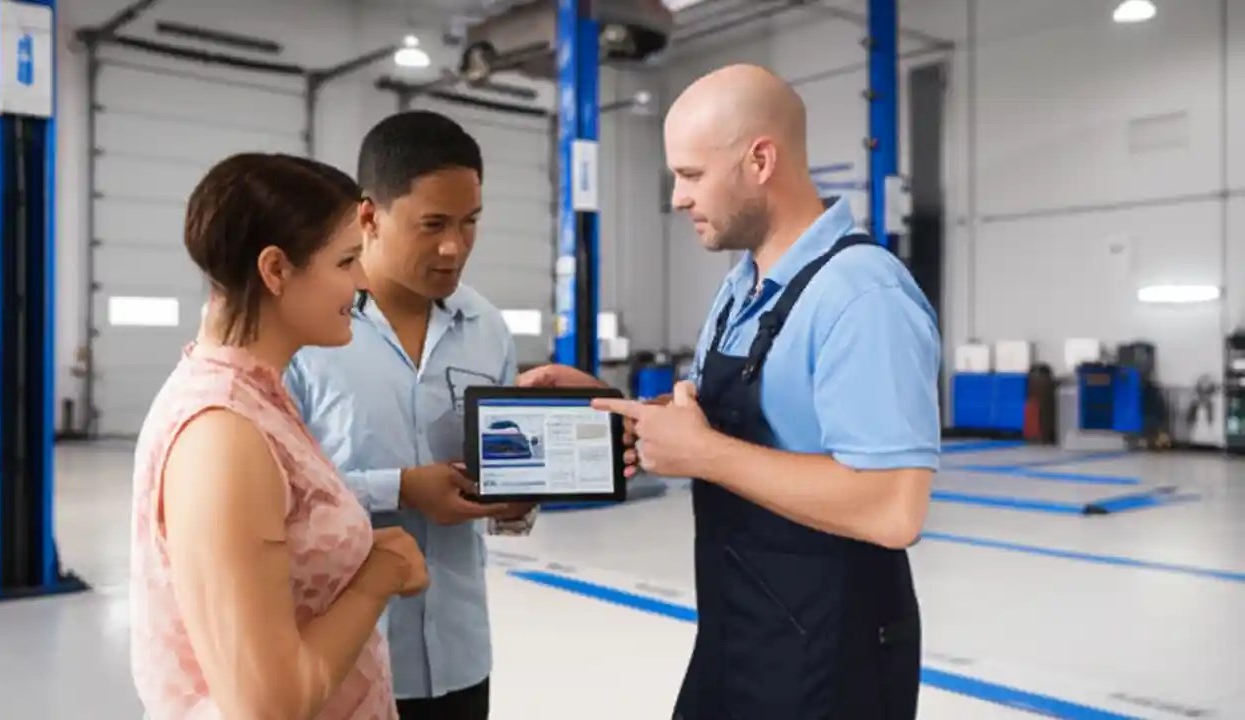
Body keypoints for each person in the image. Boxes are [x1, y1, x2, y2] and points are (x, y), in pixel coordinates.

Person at [521, 64, 940, 719]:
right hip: (738, 631)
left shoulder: (863, 295)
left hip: (833, 661)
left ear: (760, 160)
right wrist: (607, 401)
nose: (678, 198)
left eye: (690, 175)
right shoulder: (742, 285)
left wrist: (704, 456)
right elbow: (724, 428)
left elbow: (894, 509)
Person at [130, 152, 429, 719]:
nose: (363, 282)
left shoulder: (259, 394)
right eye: (346, 262)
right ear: (276, 270)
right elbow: (269, 706)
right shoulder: (222, 435)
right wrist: (376, 578)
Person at [286, 110, 535, 720]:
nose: (455, 246)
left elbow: (499, 475)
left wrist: (516, 498)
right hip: (346, 657)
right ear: (368, 214)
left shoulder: (487, 329)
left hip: (460, 655)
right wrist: (401, 490)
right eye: (433, 225)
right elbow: (270, 495)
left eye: (470, 222)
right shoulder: (306, 333)